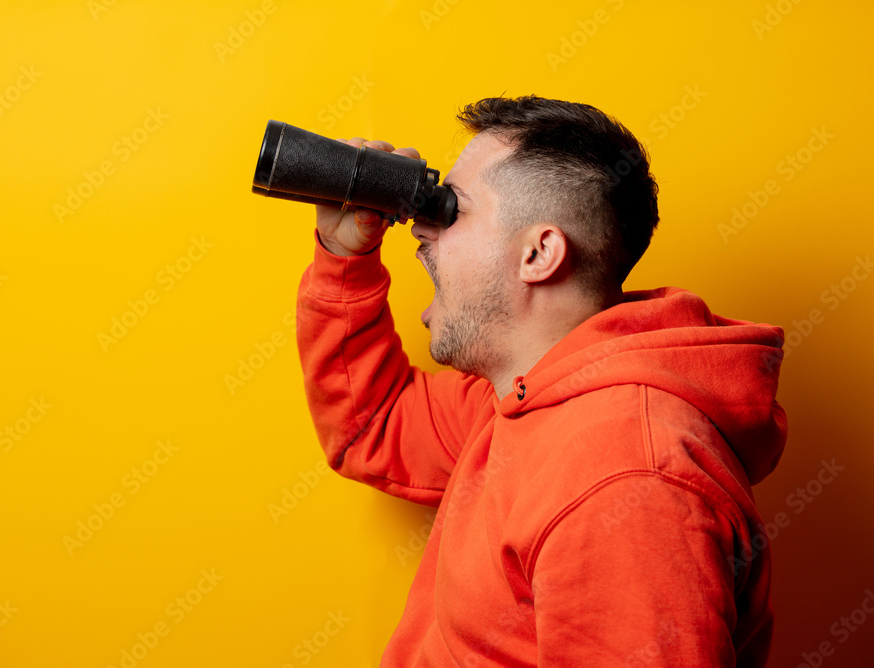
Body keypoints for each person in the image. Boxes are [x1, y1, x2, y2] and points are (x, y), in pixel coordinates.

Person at [293, 94, 787, 667]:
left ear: (540, 253)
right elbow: (373, 424)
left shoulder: (625, 474)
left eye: (452, 208)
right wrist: (343, 255)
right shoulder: (524, 396)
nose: (419, 231)